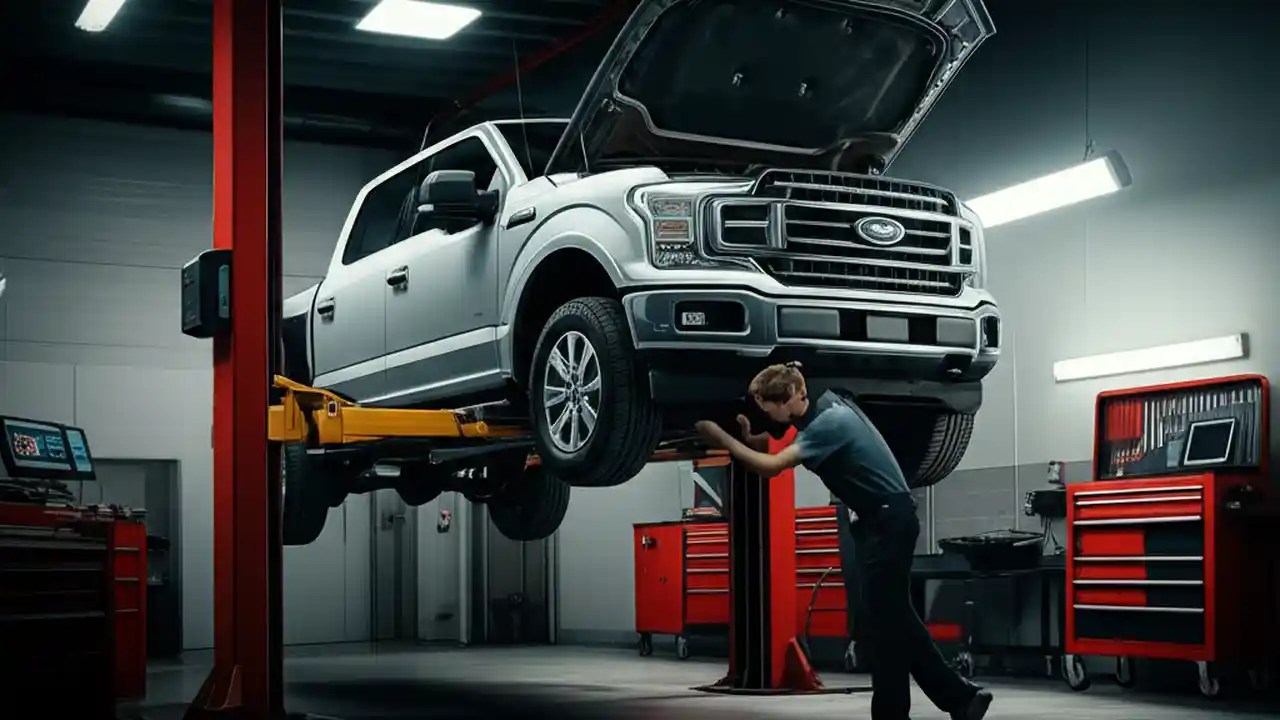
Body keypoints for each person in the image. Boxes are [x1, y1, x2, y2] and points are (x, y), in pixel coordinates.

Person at [694, 362, 993, 720]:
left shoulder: (829, 424)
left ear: (790, 398)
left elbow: (771, 466)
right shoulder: (826, 406)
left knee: (890, 623)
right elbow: (774, 444)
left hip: (888, 521)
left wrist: (721, 439)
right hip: (879, 520)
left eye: (767, 408)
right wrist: (746, 436)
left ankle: (949, 699)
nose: (764, 414)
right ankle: (949, 701)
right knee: (889, 622)